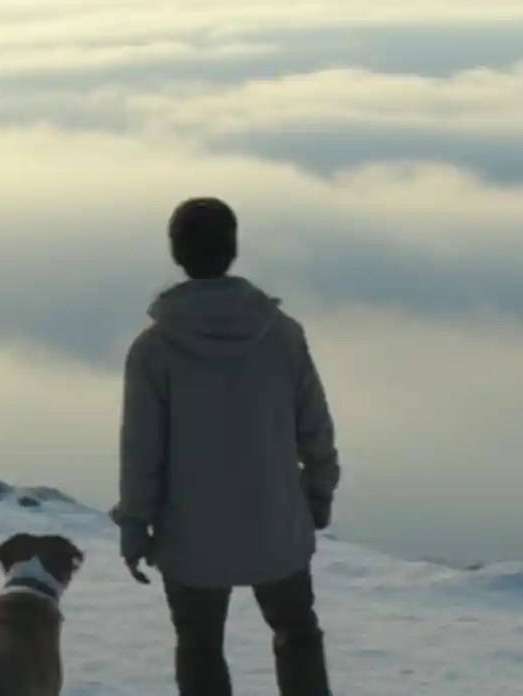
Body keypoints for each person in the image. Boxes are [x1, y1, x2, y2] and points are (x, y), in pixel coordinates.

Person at [112, 196, 340, 696]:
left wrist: (135, 523)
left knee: (199, 648)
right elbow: (315, 427)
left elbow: (141, 450)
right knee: (297, 636)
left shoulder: (154, 349)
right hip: (276, 524)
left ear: (177, 252)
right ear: (232, 248)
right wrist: (318, 492)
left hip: (190, 535)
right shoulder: (282, 335)